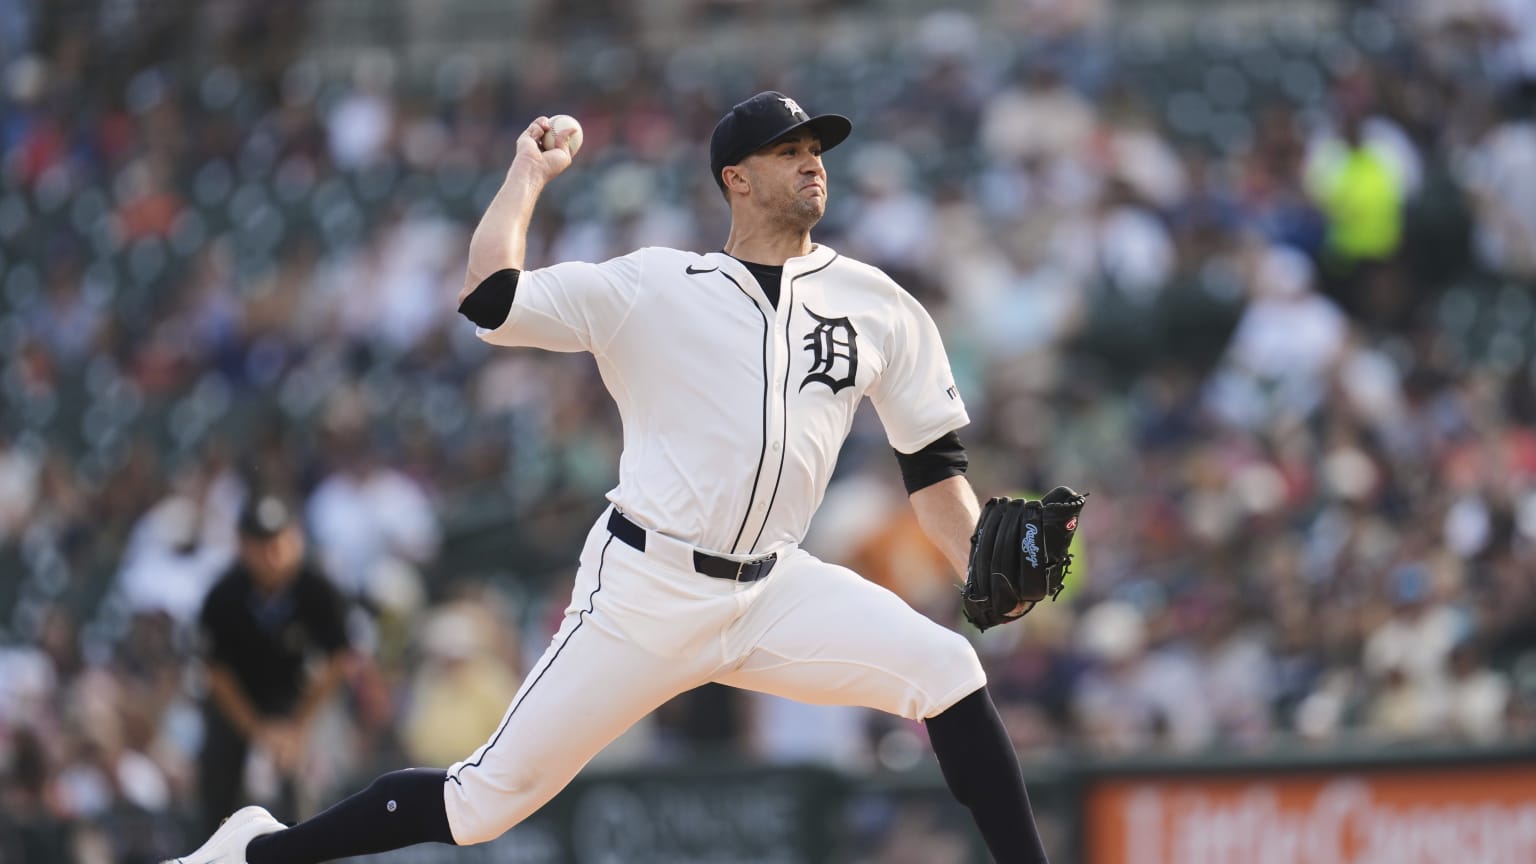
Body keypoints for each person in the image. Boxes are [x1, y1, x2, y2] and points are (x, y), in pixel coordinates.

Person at [165, 91, 1054, 864]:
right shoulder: (656, 285)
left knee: (946, 666)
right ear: (735, 178)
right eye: (790, 151)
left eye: (817, 150)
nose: (812, 164)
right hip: (645, 588)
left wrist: (979, 560)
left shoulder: (878, 304)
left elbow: (932, 465)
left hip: (776, 589)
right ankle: (258, 851)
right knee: (481, 806)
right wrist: (527, 177)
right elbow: (489, 301)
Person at [193, 494, 353, 836]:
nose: (272, 553)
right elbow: (216, 673)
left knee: (309, 792)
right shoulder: (224, 597)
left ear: (295, 537)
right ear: (243, 546)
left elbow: (339, 659)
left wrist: (297, 726)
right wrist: (256, 730)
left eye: (278, 540)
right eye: (261, 543)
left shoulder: (317, 589)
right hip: (238, 706)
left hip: (299, 700)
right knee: (219, 781)